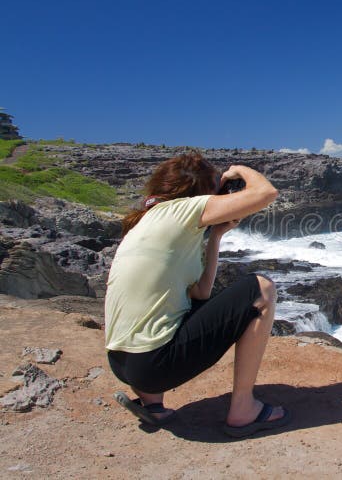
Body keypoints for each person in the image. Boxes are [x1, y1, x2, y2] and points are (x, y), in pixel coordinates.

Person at [104, 152, 290, 437]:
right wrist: (238, 170)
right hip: (154, 366)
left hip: (123, 364)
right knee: (261, 288)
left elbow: (201, 292)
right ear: (200, 192)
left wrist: (215, 236)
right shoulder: (183, 209)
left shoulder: (146, 223)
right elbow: (266, 193)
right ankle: (243, 409)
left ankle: (153, 404)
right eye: (217, 189)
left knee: (180, 305)